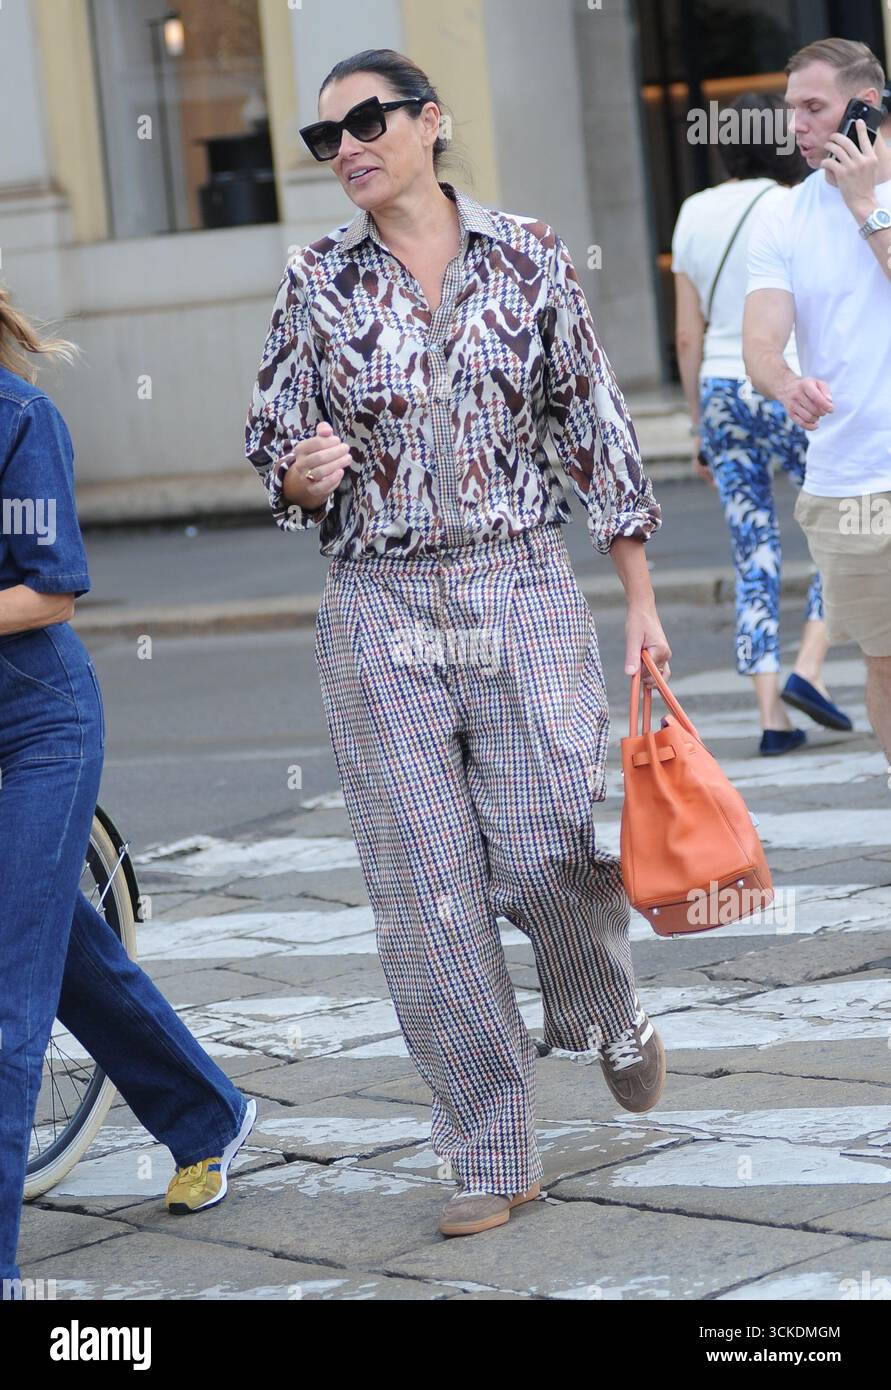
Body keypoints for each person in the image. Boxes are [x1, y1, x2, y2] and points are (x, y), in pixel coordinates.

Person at [245, 48, 672, 1238]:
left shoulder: (530, 255)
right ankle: (490, 1144)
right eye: (324, 138)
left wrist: (638, 598)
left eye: (366, 121)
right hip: (377, 600)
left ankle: (607, 1006)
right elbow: (271, 429)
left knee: (543, 850)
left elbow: (593, 421)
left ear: (431, 122)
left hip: (520, 577)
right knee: (427, 891)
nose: (346, 149)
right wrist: (302, 469)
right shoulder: (314, 280)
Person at [0, 289, 257, 1300]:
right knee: (60, 949)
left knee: (10, 989)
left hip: (40, 727)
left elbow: (53, 587)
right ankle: (206, 1114)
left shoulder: (23, 421)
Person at [672, 91, 851, 756]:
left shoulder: (691, 212)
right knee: (840, 528)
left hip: (722, 390)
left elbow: (686, 336)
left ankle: (771, 716)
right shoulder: (795, 204)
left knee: (753, 555)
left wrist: (698, 426)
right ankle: (809, 667)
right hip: (789, 385)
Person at [744, 38, 891, 760]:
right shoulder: (781, 216)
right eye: (789, 109)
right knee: (885, 665)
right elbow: (759, 344)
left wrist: (864, 203)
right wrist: (784, 382)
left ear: (865, 109)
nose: (795, 126)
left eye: (813, 108)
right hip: (848, 482)